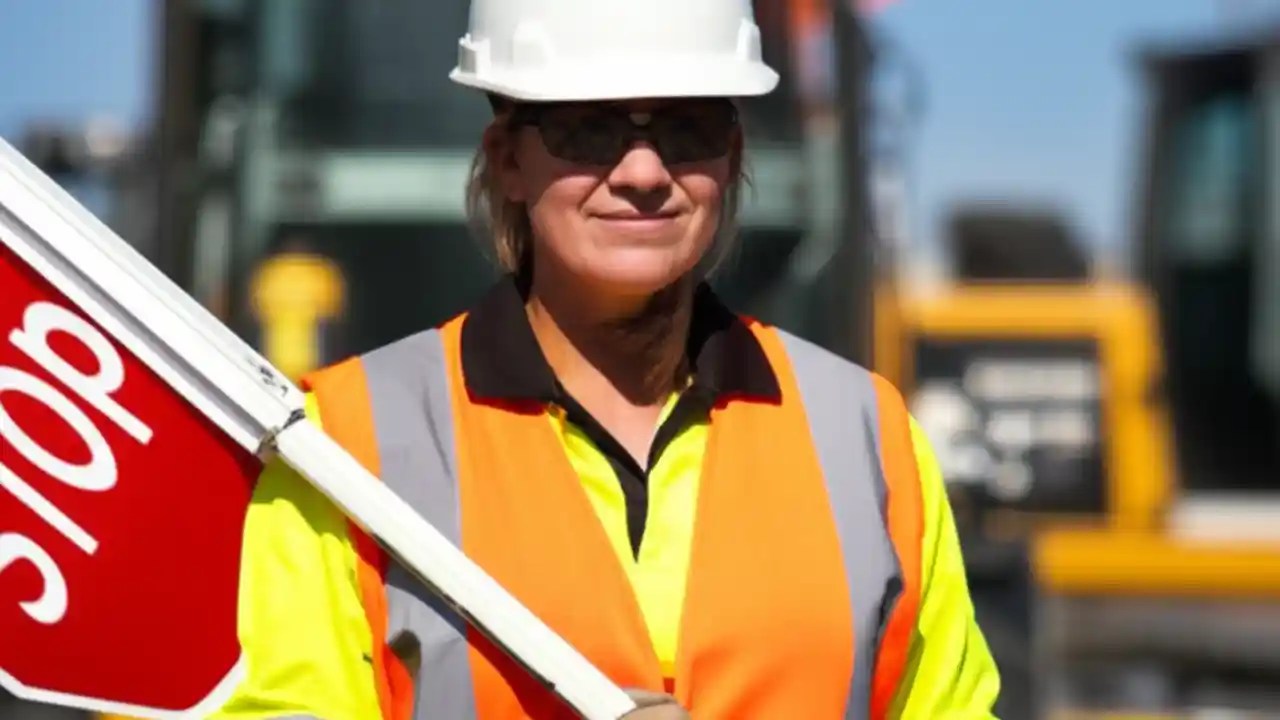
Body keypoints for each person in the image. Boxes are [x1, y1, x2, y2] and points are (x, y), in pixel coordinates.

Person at [212, 0, 1001, 717]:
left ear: (730, 155)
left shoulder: (867, 440)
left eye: (686, 130)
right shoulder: (345, 445)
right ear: (508, 159)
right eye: (589, 130)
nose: (644, 174)